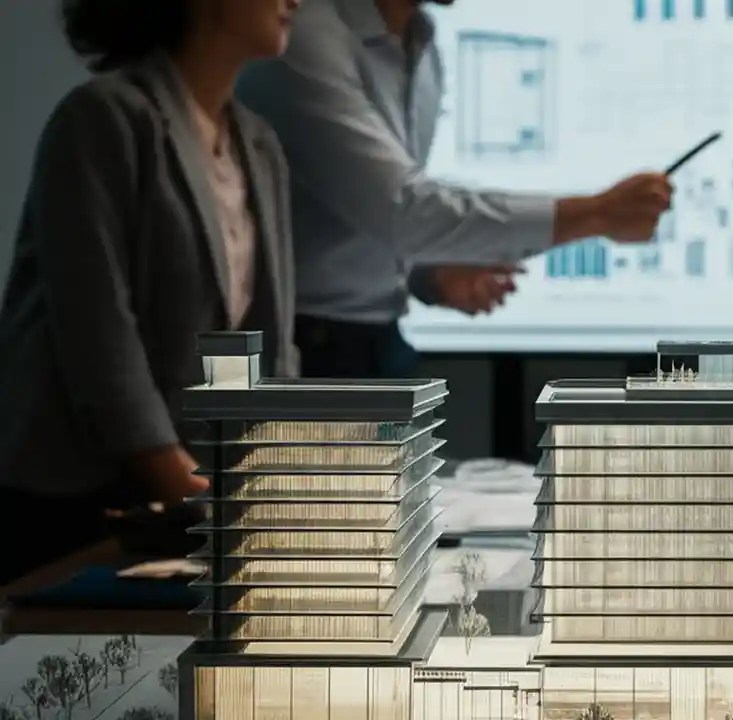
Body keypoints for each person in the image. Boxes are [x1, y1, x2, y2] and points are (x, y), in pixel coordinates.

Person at [0, 0, 302, 584]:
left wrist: (272, 489)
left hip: (187, 507)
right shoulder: (102, 117)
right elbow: (100, 345)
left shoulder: (260, 146)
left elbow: (268, 351)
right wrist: (215, 503)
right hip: (76, 508)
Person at [237, 0, 674, 379]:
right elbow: (403, 209)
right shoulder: (302, 35)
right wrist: (596, 214)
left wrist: (426, 275)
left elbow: (356, 214)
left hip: (378, 338)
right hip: (304, 348)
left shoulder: (421, 43)